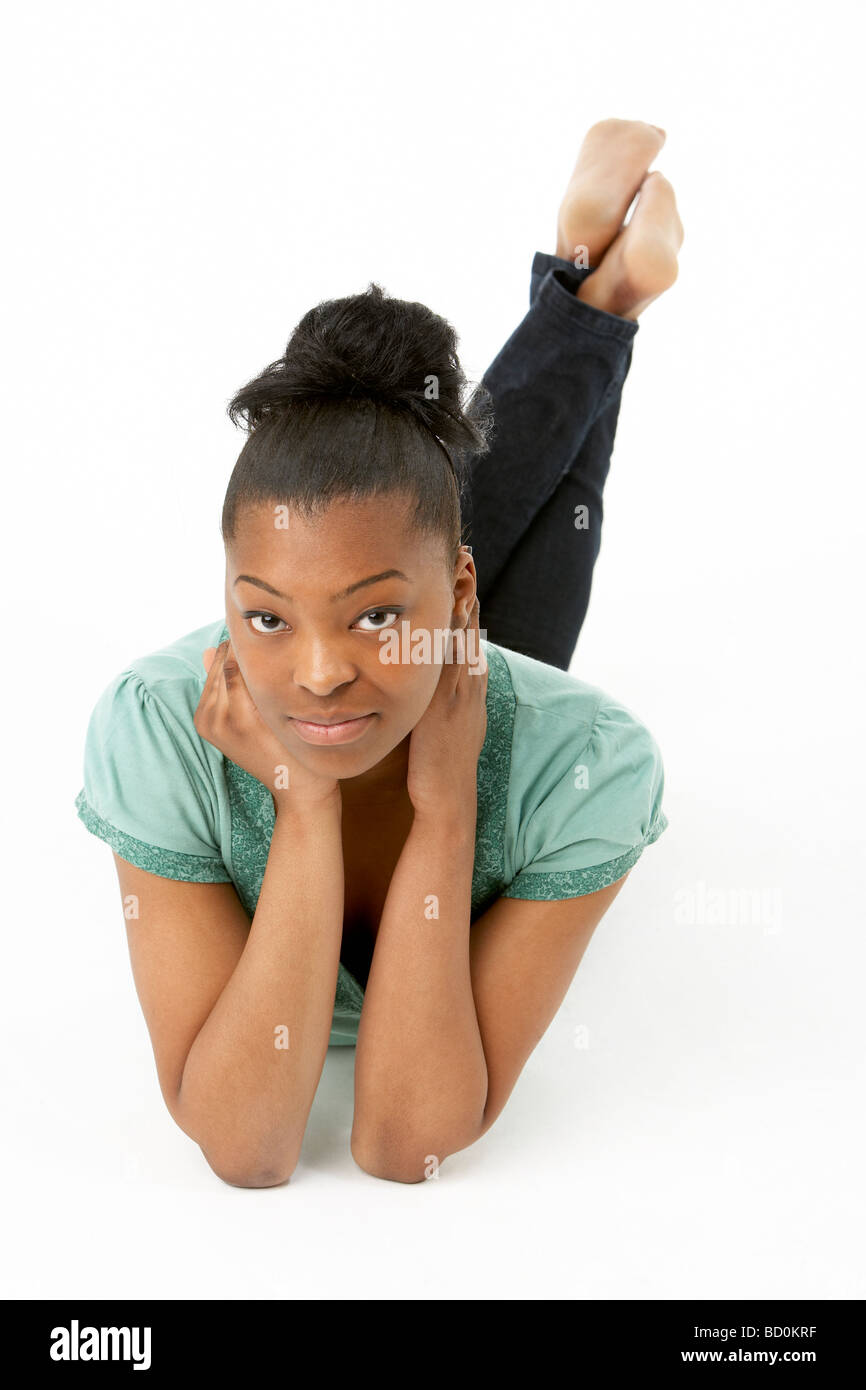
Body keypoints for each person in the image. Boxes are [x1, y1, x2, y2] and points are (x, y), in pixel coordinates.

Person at [74, 119, 683, 1186]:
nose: (312, 672)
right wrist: (297, 796)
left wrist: (449, 807)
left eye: (359, 620)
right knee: (430, 528)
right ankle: (596, 296)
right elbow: (243, 1147)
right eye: (263, 615)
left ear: (461, 602)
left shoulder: (574, 760)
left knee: (450, 535)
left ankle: (595, 290)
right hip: (418, 633)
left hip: (454, 684)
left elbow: (410, 1144)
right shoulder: (157, 728)